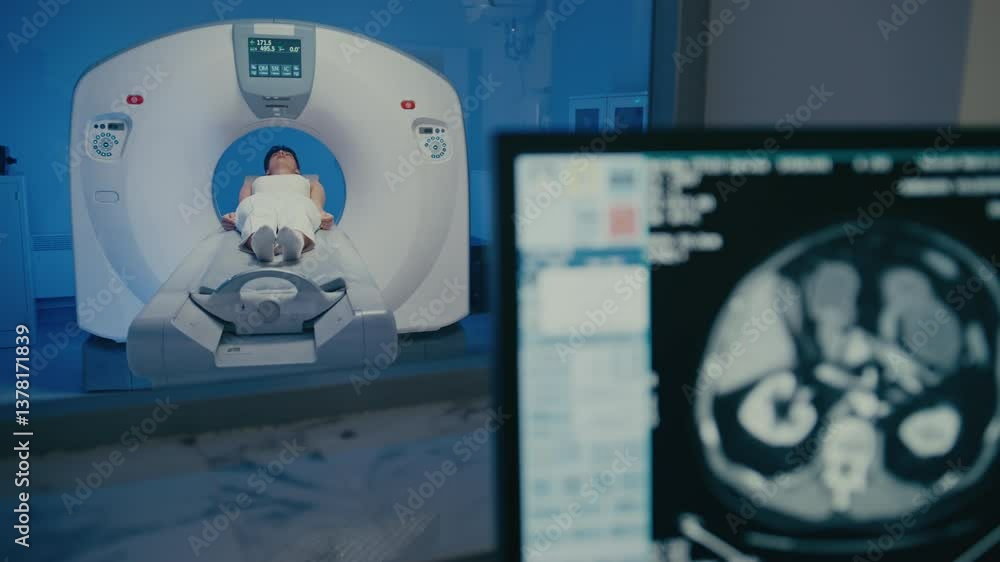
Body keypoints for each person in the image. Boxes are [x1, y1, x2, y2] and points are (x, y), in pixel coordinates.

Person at [220, 146, 335, 262]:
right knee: (258, 211)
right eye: (275, 155)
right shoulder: (253, 182)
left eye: (288, 154)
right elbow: (244, 203)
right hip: (261, 200)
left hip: (296, 200)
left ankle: (296, 240)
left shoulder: (309, 182)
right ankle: (259, 242)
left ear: (297, 170)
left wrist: (320, 212)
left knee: (298, 211)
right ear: (267, 171)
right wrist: (234, 217)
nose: (281, 152)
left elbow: (316, 201)